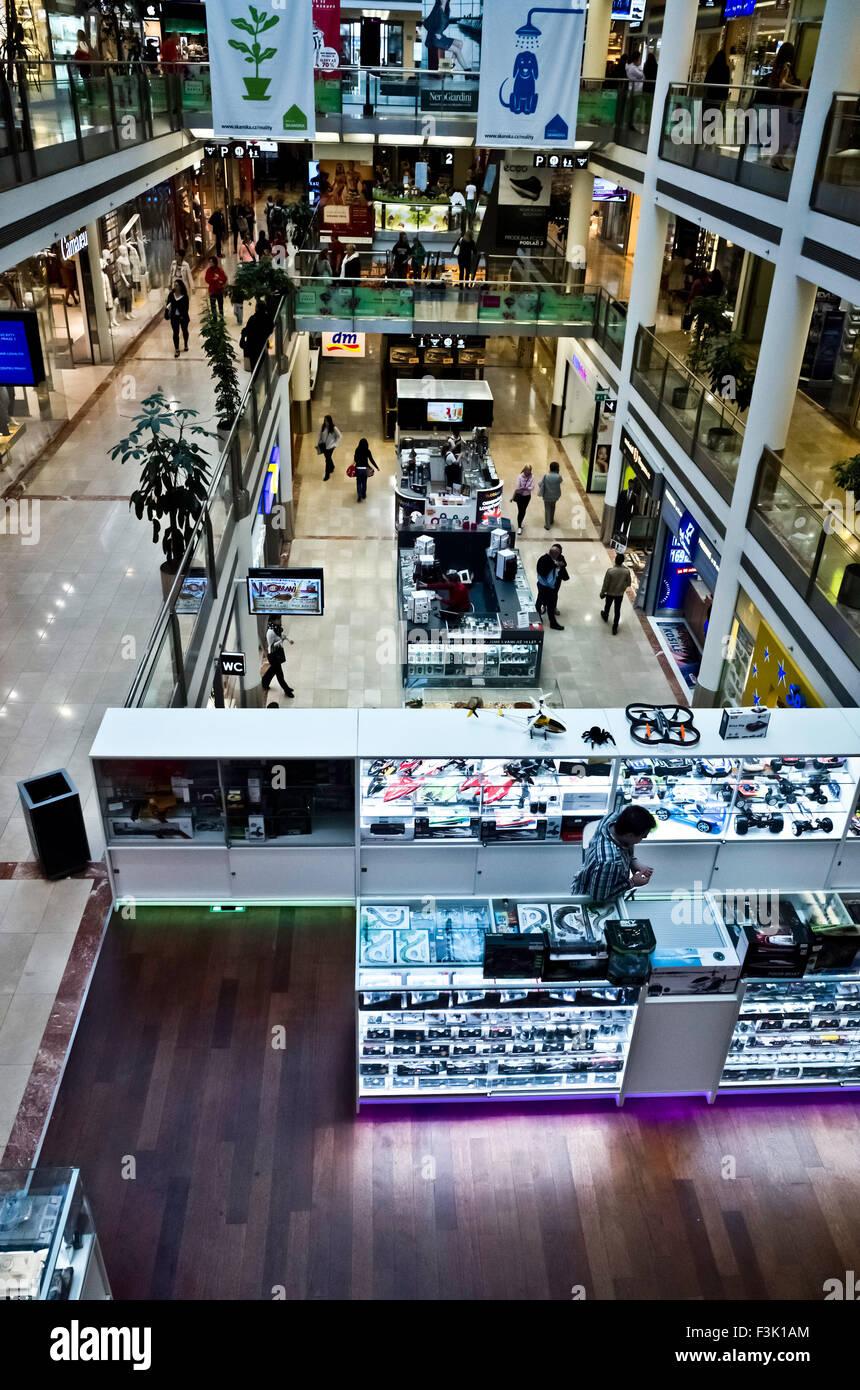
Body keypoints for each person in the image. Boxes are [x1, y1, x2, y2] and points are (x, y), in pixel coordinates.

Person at [571, 804, 657, 903]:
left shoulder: (610, 820)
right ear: (630, 835)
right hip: (589, 899)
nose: (644, 838)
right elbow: (599, 898)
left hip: (588, 880)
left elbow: (623, 812)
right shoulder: (609, 862)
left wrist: (633, 861)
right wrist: (632, 882)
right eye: (643, 837)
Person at [421, 0, 469, 73]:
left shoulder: (446, 10)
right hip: (436, 39)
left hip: (442, 37)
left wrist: (440, 34)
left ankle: (448, 66)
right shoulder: (437, 9)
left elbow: (443, 25)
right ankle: (467, 71)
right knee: (457, 50)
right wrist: (435, 33)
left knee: (460, 43)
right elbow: (426, 23)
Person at [536, 544, 568, 631]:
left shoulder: (544, 558)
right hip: (547, 587)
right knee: (549, 605)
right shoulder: (550, 564)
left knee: (540, 600)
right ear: (554, 554)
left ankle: (539, 617)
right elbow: (549, 579)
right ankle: (552, 623)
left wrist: (555, 565)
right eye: (558, 554)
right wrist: (555, 566)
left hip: (542, 585)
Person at [261, 617, 295, 699]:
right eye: (279, 619)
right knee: (280, 675)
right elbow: (272, 646)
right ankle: (287, 690)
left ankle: (264, 682)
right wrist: (281, 641)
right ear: (273, 620)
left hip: (277, 653)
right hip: (273, 655)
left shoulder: (276, 628)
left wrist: (288, 640)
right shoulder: (270, 632)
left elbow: (281, 636)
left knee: (273, 670)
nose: (280, 621)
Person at [600, 552, 632, 635]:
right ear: (622, 561)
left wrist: (602, 593)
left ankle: (605, 616)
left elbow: (605, 584)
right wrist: (622, 588)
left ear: (615, 560)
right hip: (619, 594)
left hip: (610, 593)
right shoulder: (626, 571)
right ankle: (615, 627)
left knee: (607, 606)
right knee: (617, 610)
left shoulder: (610, 571)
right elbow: (629, 583)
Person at [240, 302, 274, 369]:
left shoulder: (252, 319)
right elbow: (271, 330)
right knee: (262, 366)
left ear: (257, 308)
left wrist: (243, 336)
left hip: (252, 347)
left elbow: (247, 331)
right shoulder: (268, 319)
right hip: (262, 346)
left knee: (254, 366)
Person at [165, 279, 190, 357]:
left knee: (185, 331)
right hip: (174, 317)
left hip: (183, 317)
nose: (175, 287)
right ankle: (177, 349)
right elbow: (168, 305)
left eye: (177, 285)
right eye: (174, 285)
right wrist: (166, 313)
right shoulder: (171, 295)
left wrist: (182, 315)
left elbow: (186, 308)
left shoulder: (185, 296)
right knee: (175, 333)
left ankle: (186, 344)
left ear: (180, 286)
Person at [353, 438, 379, 503]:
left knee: (358, 482)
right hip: (365, 469)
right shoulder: (367, 451)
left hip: (358, 468)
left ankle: (359, 495)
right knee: (364, 482)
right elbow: (371, 460)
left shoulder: (357, 450)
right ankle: (363, 495)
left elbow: (355, 459)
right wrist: (376, 467)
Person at [512, 463, 535, 534]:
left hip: (527, 496)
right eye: (527, 470)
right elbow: (518, 487)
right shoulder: (520, 476)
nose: (528, 472)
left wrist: (526, 488)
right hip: (520, 496)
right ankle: (519, 526)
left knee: (523, 510)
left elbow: (532, 487)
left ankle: (520, 522)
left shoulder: (532, 477)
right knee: (520, 511)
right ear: (524, 470)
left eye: (529, 470)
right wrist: (524, 488)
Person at [538, 460, 562, 529]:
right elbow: (561, 481)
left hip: (547, 496)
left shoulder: (546, 476)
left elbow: (541, 483)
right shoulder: (558, 477)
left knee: (547, 509)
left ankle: (547, 525)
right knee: (553, 507)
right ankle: (551, 520)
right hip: (555, 496)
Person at [317, 414, 342, 482]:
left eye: (327, 421)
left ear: (330, 421)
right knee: (328, 458)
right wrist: (319, 442)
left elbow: (339, 436)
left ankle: (327, 475)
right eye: (325, 421)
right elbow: (319, 435)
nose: (326, 422)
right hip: (324, 446)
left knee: (327, 460)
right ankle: (332, 466)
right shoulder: (323, 427)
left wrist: (335, 444)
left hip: (331, 447)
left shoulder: (334, 428)